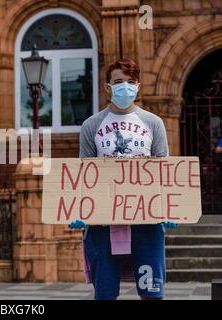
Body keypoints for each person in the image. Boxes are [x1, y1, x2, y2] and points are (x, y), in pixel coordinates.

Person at [69, 58, 177, 300]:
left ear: (138, 86)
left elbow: (164, 171)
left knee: (152, 292)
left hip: (146, 222)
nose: (124, 87)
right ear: (108, 87)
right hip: (103, 224)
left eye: (130, 82)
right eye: (118, 82)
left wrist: (168, 209)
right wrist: (80, 211)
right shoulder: (91, 125)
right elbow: (85, 175)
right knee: (105, 294)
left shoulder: (153, 123)